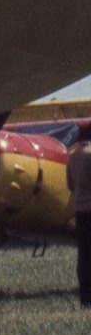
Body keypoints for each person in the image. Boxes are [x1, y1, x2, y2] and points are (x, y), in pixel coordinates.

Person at [69, 122, 91, 307]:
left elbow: (69, 184)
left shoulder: (73, 155)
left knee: (84, 255)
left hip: (80, 210)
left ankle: (85, 296)